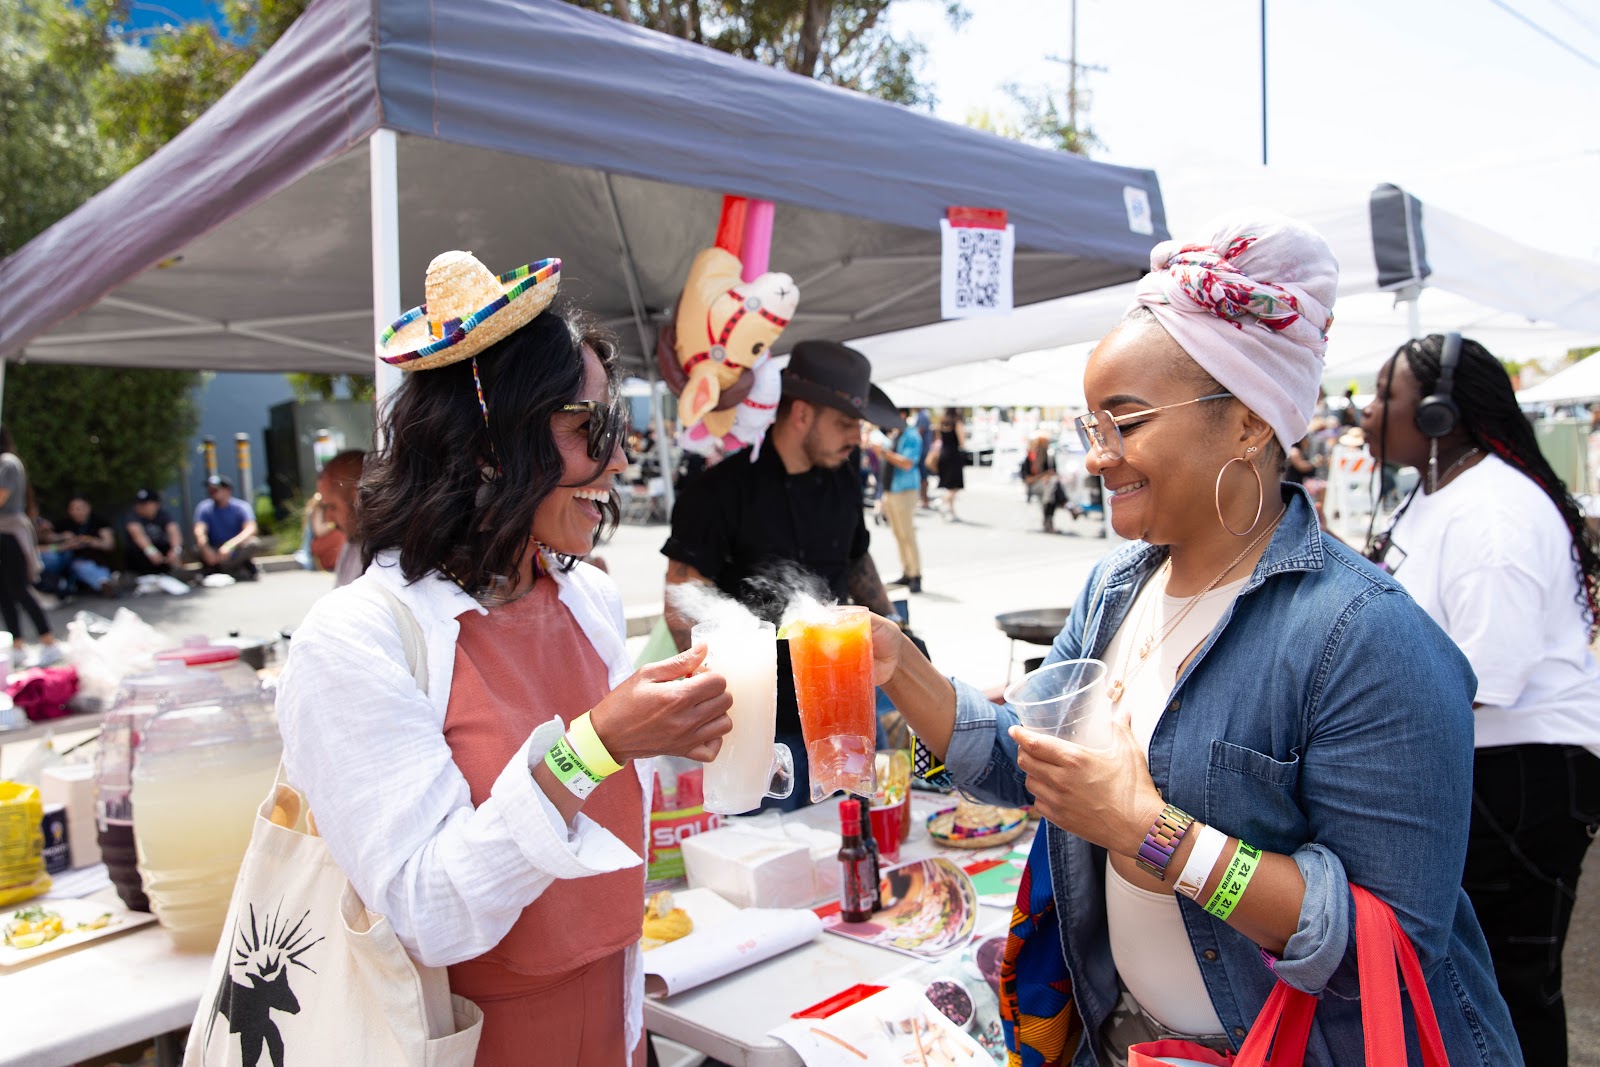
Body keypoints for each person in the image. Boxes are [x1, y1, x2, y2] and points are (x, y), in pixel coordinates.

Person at [868, 217, 1521, 1066]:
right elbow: (1021, 759)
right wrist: (899, 664)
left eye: (1126, 422)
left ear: (1249, 422)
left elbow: (1383, 945)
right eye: (1092, 426)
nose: (1098, 458)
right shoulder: (1117, 588)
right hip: (1133, 1039)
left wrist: (1152, 832)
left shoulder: (1364, 636)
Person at [277, 250, 731, 1066]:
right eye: (591, 430)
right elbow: (428, 908)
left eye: (617, 430)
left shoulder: (583, 595)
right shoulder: (355, 640)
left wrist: (669, 734)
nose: (620, 461)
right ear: (490, 442)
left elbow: (599, 834)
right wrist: (594, 744)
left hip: (619, 1025)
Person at [1362, 333, 1600, 1066]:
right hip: (1479, 767)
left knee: (1506, 984)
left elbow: (1485, 677)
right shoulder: (1441, 495)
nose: (1366, 414)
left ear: (1438, 415)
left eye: (1383, 397)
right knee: (1465, 979)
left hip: (1520, 775)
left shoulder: (1491, 516)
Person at [662, 340, 903, 809]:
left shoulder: (845, 477)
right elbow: (682, 599)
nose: (857, 437)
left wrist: (901, 633)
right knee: (775, 853)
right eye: (845, 423)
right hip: (762, 721)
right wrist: (712, 706)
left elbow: (857, 561)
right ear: (801, 415)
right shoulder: (718, 491)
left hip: (844, 705)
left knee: (855, 840)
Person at [0, 427, 60, 664]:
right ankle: (18, 646)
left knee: (19, 589)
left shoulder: (8, 462)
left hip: (11, 532)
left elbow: (2, 495)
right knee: (3, 593)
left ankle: (49, 642)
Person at [876, 408, 923, 593]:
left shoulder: (911, 436)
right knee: (898, 534)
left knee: (907, 534)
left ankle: (915, 574)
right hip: (891, 490)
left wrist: (885, 453)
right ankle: (907, 570)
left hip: (904, 490)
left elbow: (907, 463)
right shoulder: (898, 434)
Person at [40, 495, 117, 598]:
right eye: (74, 509)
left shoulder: (99, 521)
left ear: (88, 507)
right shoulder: (64, 523)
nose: (77, 512)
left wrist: (91, 541)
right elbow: (47, 540)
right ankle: (51, 584)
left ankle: (105, 583)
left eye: (80, 508)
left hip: (86, 559)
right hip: (64, 559)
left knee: (84, 566)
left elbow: (109, 545)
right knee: (51, 557)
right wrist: (63, 538)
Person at [314, 449, 366, 588]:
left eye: (332, 507)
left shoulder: (387, 557)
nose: (329, 519)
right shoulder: (352, 545)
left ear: (358, 498)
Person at [193, 475, 260, 580]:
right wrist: (205, 546)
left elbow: (251, 529)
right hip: (214, 548)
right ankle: (229, 570)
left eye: (215, 489)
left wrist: (230, 545)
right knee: (197, 549)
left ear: (227, 490)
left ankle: (221, 569)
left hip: (235, 548)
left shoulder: (241, 507)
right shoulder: (204, 508)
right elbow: (199, 529)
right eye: (210, 489)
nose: (211, 492)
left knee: (253, 543)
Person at [124, 488, 184, 576]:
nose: (140, 507)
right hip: (140, 563)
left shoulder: (164, 515)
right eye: (139, 503)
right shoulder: (132, 517)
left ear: (156, 504)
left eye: (145, 504)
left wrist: (175, 550)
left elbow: (174, 532)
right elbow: (138, 536)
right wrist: (151, 551)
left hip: (162, 559)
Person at [1022, 434, 1060, 533]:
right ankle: (1067, 505)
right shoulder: (1029, 459)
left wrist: (1047, 476)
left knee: (1053, 487)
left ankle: (1048, 520)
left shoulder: (1049, 458)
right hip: (1035, 487)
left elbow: (1054, 473)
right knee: (1053, 489)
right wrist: (1043, 475)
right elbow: (1027, 479)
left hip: (1048, 486)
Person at [935, 407, 967, 520]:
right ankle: (941, 501)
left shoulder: (942, 421)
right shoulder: (957, 422)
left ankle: (951, 512)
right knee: (956, 485)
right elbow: (962, 442)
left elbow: (939, 438)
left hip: (943, 454)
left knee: (949, 485)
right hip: (954, 456)